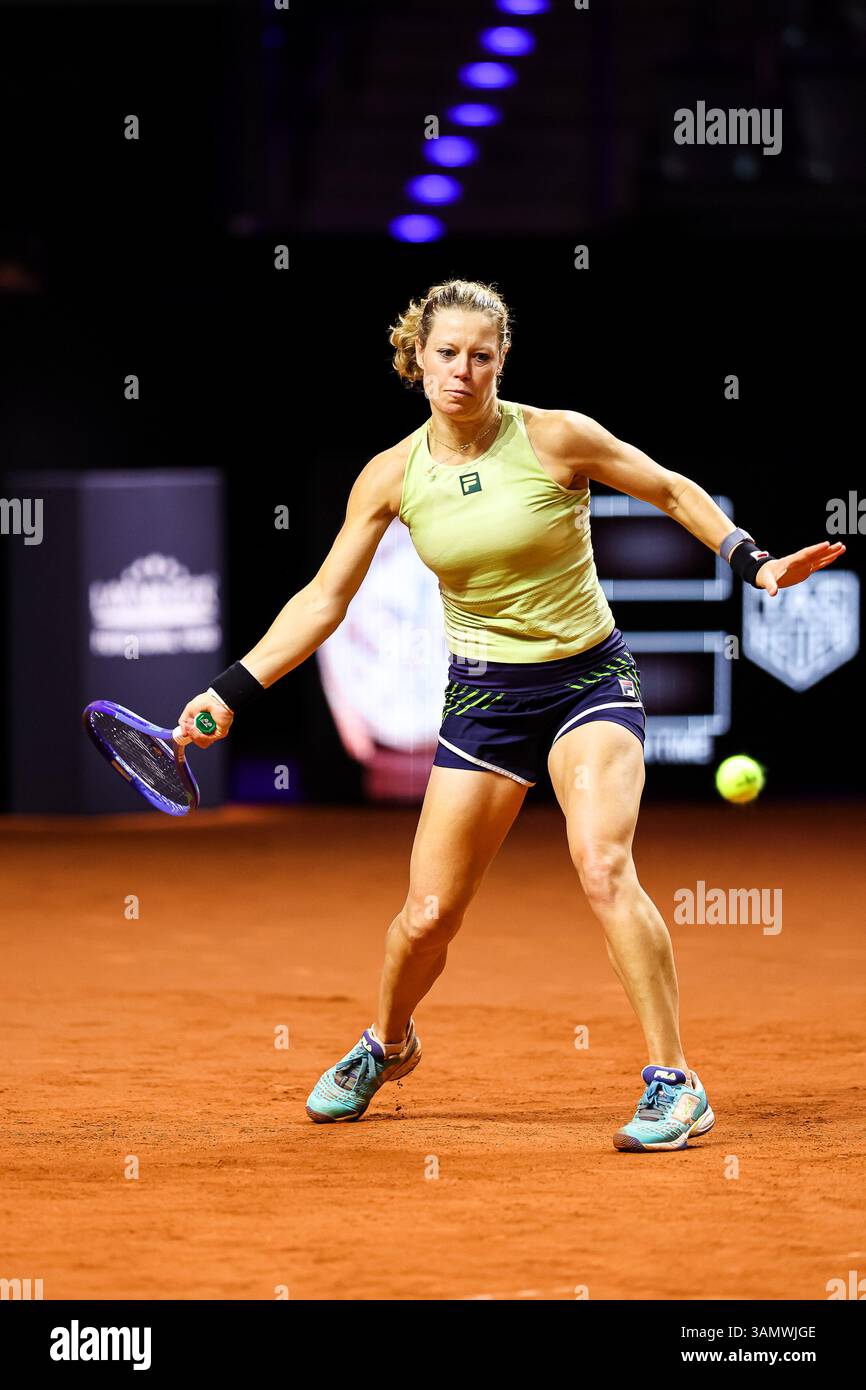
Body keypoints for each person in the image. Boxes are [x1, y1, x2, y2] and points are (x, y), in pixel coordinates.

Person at [177, 278, 844, 1152]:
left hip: (589, 684)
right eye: (446, 353)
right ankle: (388, 1044)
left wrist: (753, 565)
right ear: (417, 356)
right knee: (427, 917)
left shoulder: (556, 436)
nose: (462, 370)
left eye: (480, 355)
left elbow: (671, 488)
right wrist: (232, 687)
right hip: (485, 701)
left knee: (604, 866)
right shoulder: (390, 474)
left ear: (501, 361)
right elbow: (322, 599)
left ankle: (676, 1082)